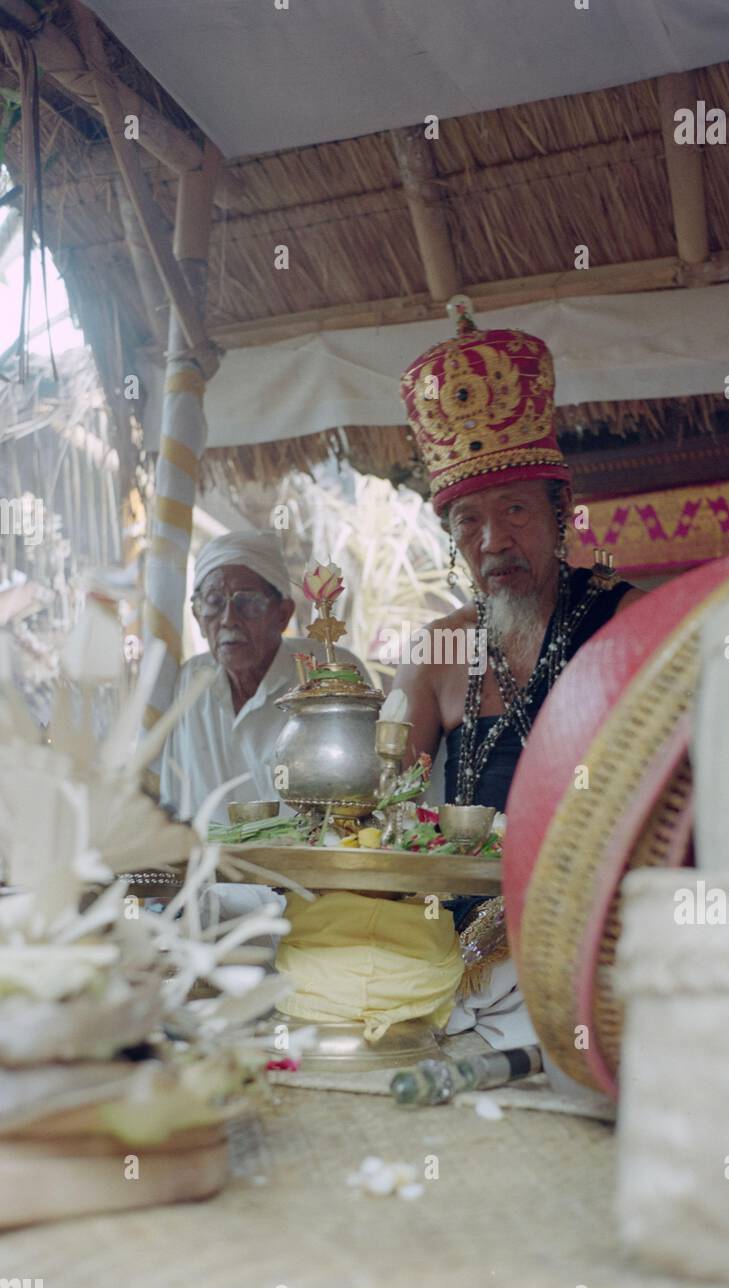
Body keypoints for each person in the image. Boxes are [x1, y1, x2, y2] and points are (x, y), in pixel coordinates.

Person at [394, 310, 642, 1045]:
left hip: (607, 942)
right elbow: (385, 821)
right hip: (467, 953)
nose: (493, 540)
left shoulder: (628, 624)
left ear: (559, 512)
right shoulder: (437, 653)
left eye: (513, 510)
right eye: (468, 521)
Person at [159, 529, 367, 822]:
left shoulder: (331, 673)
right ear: (197, 616)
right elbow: (173, 802)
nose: (229, 619)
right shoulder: (191, 682)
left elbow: (368, 794)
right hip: (211, 865)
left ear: (282, 614)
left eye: (247, 602)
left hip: (311, 864)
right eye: (214, 601)